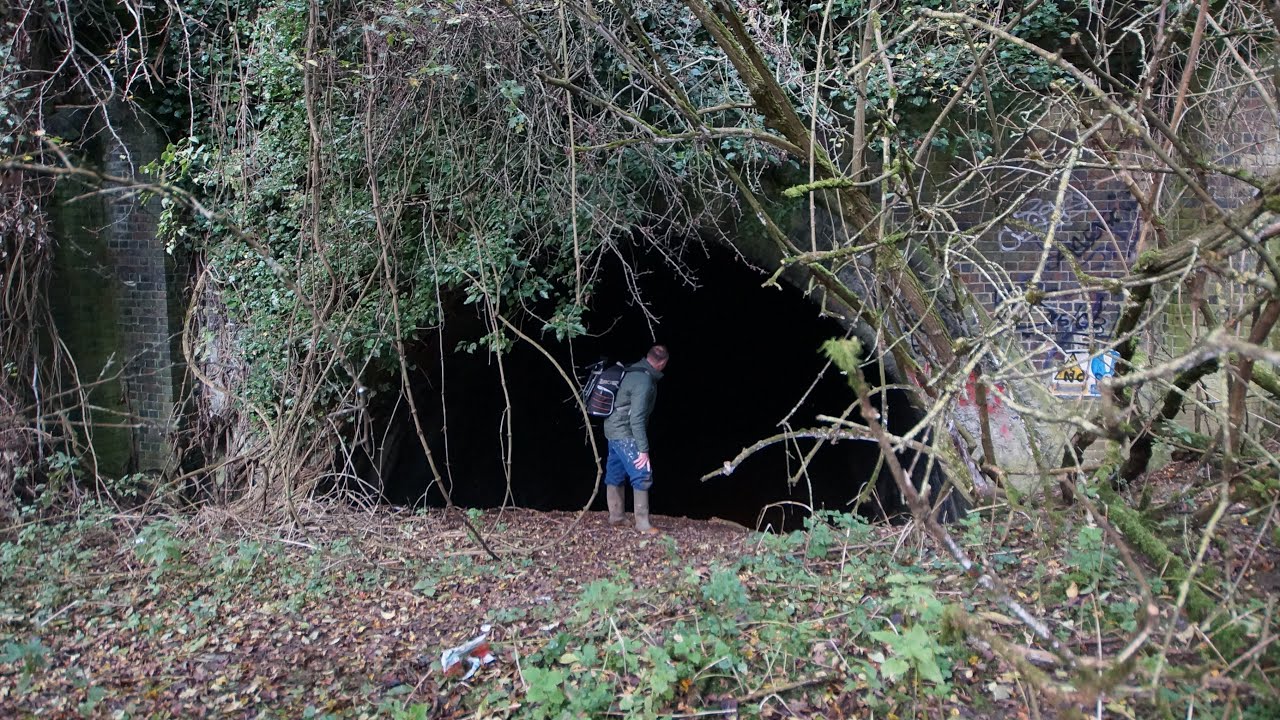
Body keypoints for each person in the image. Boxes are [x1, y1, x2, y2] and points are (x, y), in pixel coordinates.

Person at [603, 344, 668, 533]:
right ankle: (642, 524)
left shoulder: (633, 368)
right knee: (642, 472)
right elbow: (637, 418)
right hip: (624, 431)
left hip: (612, 427)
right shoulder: (644, 382)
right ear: (662, 363)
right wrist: (643, 449)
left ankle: (616, 517)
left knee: (615, 471)